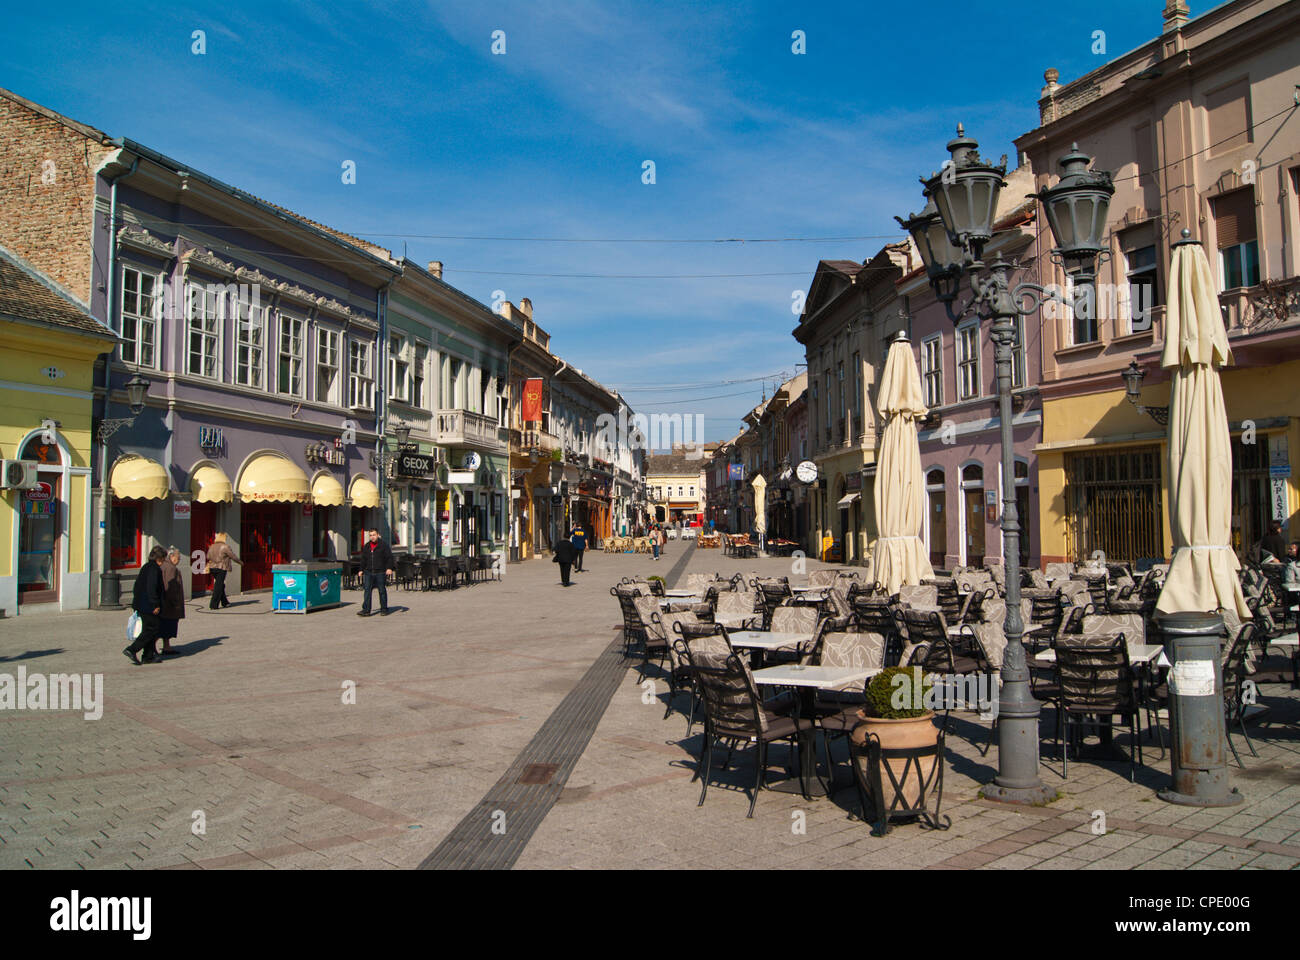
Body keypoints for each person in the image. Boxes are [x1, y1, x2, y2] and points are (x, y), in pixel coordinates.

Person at [124, 546, 167, 665]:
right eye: (164, 558)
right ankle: (132, 649)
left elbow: (137, 586)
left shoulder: (146, 567)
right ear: (160, 558)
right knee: (152, 629)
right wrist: (155, 604)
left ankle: (147, 656)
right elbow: (151, 588)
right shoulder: (154, 569)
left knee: (151, 629)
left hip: (141, 603)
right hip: (148, 605)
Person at [358, 528, 395, 616]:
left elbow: (389, 558)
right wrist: (360, 569)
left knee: (382, 590)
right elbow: (363, 559)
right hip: (368, 572)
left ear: (378, 535)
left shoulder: (383, 545)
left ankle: (384, 609)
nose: (372, 537)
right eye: (370, 535)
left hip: (380, 572)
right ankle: (366, 610)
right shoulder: (367, 546)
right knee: (367, 591)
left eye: (374, 535)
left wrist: (389, 568)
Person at [159, 546, 186, 656]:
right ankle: (165, 647)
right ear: (171, 556)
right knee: (168, 626)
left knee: (164, 626)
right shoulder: (171, 568)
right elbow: (170, 586)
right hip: (170, 604)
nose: (179, 560)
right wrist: (175, 602)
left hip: (165, 602)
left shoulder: (163, 566)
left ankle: (166, 646)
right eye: (178, 557)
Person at [206, 532, 240, 609]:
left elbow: (208, 556)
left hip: (212, 568)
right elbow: (233, 556)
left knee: (220, 585)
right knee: (218, 586)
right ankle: (213, 605)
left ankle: (225, 602)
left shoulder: (212, 546)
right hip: (221, 567)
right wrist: (240, 562)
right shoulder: (225, 547)